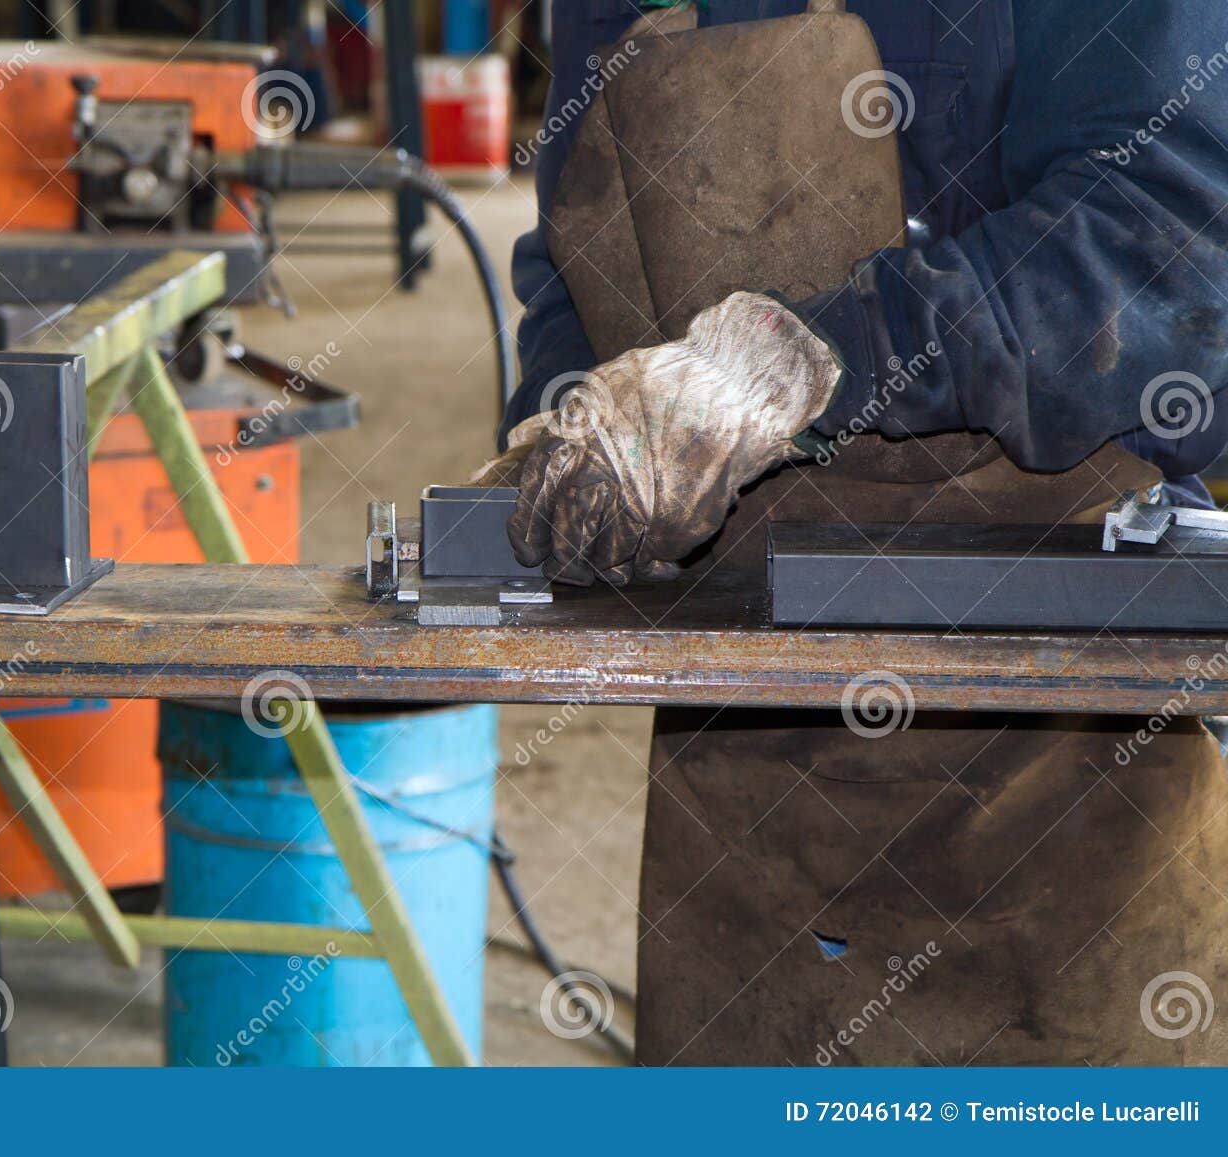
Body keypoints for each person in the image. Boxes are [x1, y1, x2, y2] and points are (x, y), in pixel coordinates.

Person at [505, 0, 1228, 1065]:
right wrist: (572, 418)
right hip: (739, 788)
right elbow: (580, 230)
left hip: (1054, 760)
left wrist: (799, 361)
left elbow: (1167, 251)